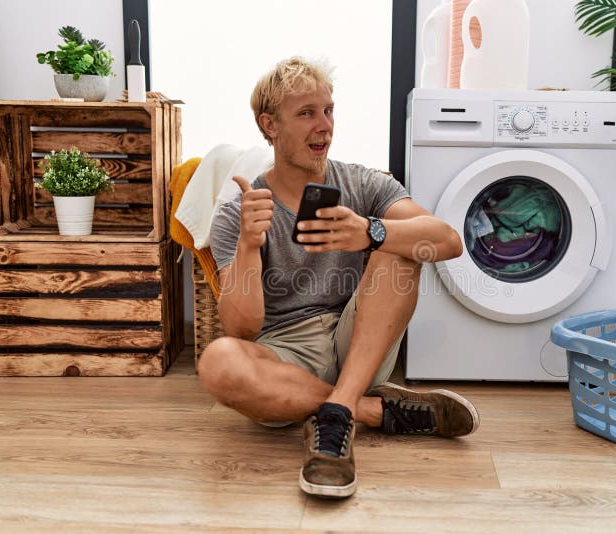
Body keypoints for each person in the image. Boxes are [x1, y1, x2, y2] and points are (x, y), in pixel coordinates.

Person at [198, 56, 479, 499]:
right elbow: (241, 329)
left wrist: (370, 231)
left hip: (359, 340)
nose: (324, 126)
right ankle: (366, 409)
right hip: (285, 356)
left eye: (328, 110)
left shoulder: (364, 184)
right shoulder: (238, 211)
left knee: (401, 245)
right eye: (306, 113)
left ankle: (337, 409)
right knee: (217, 362)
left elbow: (445, 240)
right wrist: (250, 245)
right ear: (269, 125)